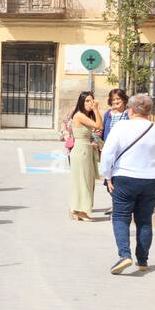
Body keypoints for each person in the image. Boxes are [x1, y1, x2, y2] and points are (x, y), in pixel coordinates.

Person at [99, 93, 155, 274]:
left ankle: (125, 255)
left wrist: (107, 176)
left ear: (130, 110)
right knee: (144, 221)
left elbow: (108, 154)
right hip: (152, 179)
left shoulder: (121, 127)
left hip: (124, 178)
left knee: (121, 217)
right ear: (149, 111)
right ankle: (143, 260)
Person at [67, 91, 101, 222]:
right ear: (81, 102)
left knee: (86, 181)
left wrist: (95, 111)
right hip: (81, 151)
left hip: (85, 150)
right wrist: (96, 109)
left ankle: (76, 210)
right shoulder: (79, 115)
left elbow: (98, 126)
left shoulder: (86, 115)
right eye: (87, 101)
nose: (90, 103)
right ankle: (80, 211)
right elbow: (99, 126)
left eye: (91, 100)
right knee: (83, 182)